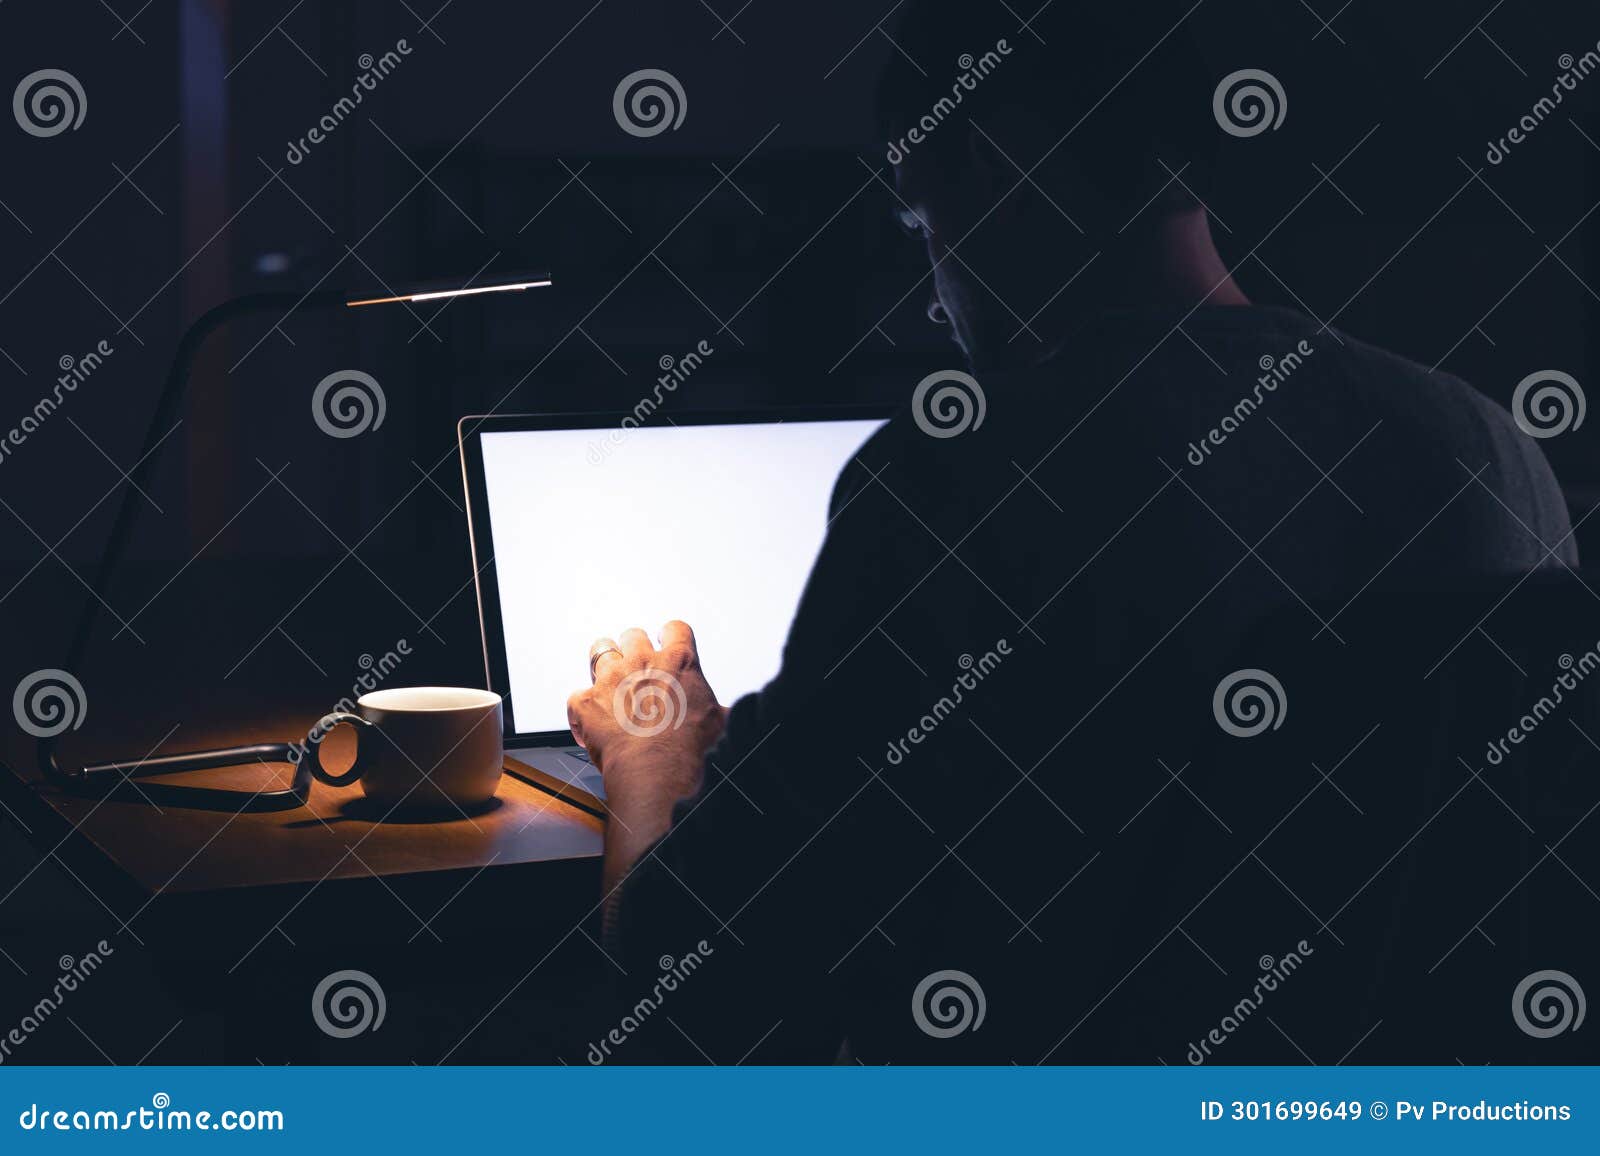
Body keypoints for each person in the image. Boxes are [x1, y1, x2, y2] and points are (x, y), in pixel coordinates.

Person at [564, 2, 1578, 1063]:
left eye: (922, 227)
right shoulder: (1494, 446)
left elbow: (695, 959)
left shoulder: (968, 471)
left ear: (998, 160)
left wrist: (650, 748)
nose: (929, 304)